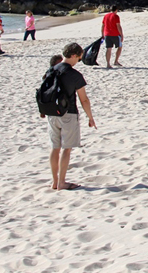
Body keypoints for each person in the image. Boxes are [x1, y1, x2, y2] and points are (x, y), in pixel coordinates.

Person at [47, 42, 96, 190]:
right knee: (66, 148)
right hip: (68, 113)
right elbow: (84, 99)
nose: (78, 61)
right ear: (74, 55)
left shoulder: (52, 70)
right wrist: (90, 117)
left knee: (55, 148)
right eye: (79, 59)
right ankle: (62, 182)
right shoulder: (74, 74)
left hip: (51, 113)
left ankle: (54, 181)